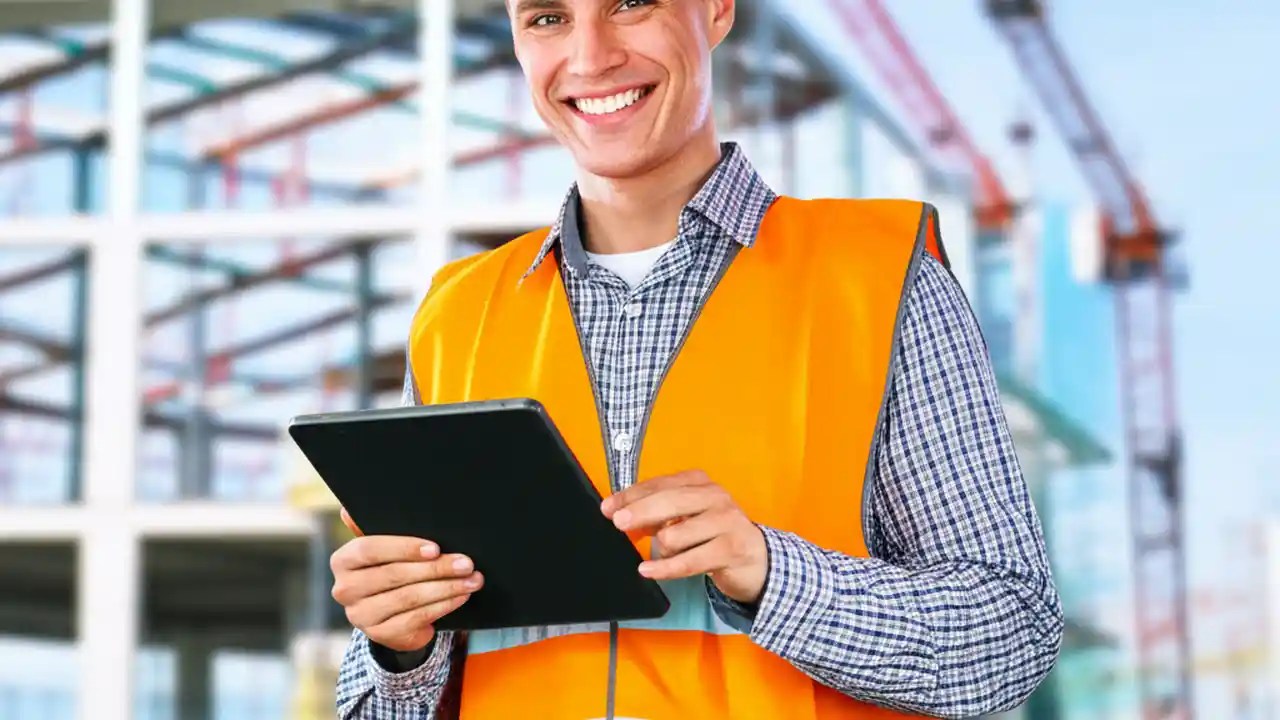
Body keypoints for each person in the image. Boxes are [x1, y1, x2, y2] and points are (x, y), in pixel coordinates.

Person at [331, 0, 1063, 717]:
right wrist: (397, 648)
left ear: (717, 10)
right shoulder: (457, 316)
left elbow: (1010, 638)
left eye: (633, 3)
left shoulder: (878, 279)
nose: (590, 56)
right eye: (547, 17)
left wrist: (772, 575)